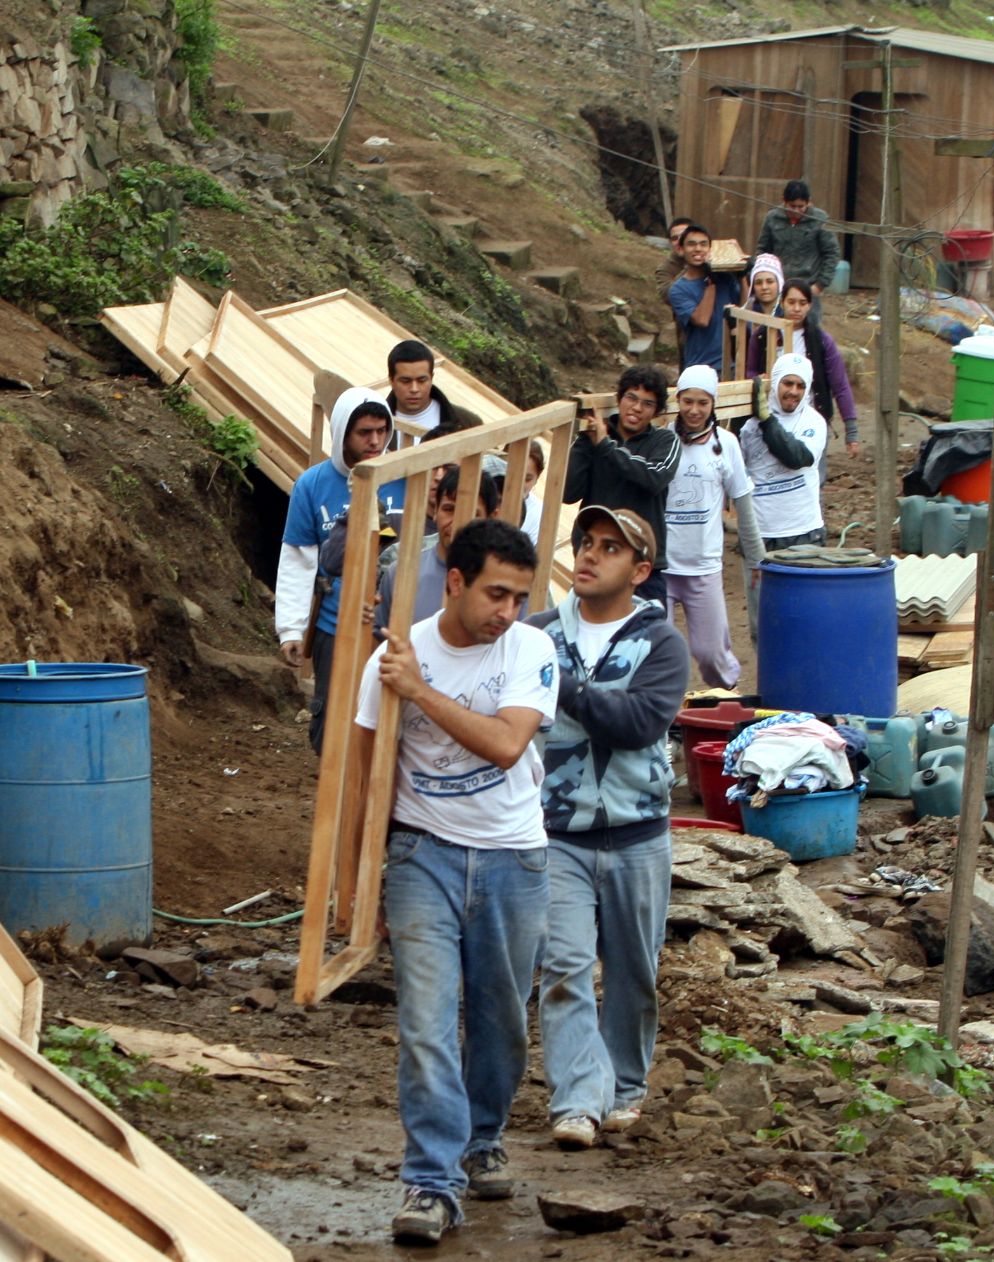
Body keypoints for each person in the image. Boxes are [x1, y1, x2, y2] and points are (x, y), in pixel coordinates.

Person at [353, 518, 558, 1244]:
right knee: (427, 1023)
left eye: (519, 596)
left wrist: (420, 692)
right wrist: (359, 882)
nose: (508, 611)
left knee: (501, 1023)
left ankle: (483, 1136)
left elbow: (506, 745)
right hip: (421, 856)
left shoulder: (531, 648)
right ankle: (431, 1182)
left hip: (514, 857)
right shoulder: (395, 657)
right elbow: (364, 773)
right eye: (497, 594)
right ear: (456, 582)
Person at [528, 506, 689, 1151]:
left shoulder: (662, 643)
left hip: (638, 833)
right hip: (558, 832)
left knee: (632, 972)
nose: (589, 557)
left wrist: (563, 689)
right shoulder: (538, 633)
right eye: (585, 544)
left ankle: (624, 1087)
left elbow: (637, 724)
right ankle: (575, 1102)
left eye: (609, 549)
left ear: (640, 570)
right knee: (564, 966)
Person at [277, 387, 398, 754]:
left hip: (391, 625)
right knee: (331, 721)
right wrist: (291, 628)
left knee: (385, 720)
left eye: (381, 430)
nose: (375, 440)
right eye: (364, 432)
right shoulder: (312, 486)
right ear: (344, 432)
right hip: (334, 624)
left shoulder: (406, 477)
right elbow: (298, 560)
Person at [663, 365, 763, 689]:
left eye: (702, 403)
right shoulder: (662, 440)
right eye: (687, 401)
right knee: (655, 652)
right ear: (678, 400)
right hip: (661, 566)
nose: (693, 410)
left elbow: (743, 502)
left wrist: (757, 558)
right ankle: (661, 723)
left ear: (713, 405)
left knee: (710, 653)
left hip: (703, 566)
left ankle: (727, 699)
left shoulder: (727, 444)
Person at [563, 365, 680, 604]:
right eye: (631, 398)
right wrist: (585, 442)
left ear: (657, 411)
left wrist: (606, 446)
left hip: (643, 566)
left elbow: (653, 478)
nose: (636, 408)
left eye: (647, 403)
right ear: (619, 399)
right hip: (595, 558)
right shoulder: (594, 438)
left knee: (644, 638)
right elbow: (567, 492)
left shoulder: (665, 440)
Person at [376, 467, 502, 631]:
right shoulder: (400, 572)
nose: (458, 521)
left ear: (491, 517)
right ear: (435, 511)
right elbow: (378, 643)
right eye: (449, 509)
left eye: (472, 512)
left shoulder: (508, 580)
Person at [746, 280, 859, 458]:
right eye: (791, 302)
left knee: (811, 471)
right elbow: (749, 371)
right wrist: (759, 378)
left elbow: (840, 384)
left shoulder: (821, 341)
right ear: (782, 302)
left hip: (811, 417)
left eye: (802, 303)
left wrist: (851, 429)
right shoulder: (762, 335)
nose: (797, 308)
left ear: (810, 305)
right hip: (770, 418)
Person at [738, 352, 828, 553]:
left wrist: (767, 421)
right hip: (760, 534)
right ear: (776, 382)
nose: (794, 391)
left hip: (804, 533)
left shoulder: (813, 421)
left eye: (801, 386)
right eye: (787, 383)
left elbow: (797, 457)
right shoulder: (750, 425)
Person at [667, 224, 744, 374]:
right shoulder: (678, 289)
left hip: (730, 364)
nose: (698, 249)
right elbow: (702, 319)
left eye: (703, 244)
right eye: (691, 244)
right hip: (699, 365)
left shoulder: (725, 278)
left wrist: (742, 276)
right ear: (681, 250)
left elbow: (743, 306)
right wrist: (710, 281)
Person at [387, 339, 483, 445]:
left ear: (431, 378)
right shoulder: (372, 423)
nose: (414, 389)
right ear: (391, 380)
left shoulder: (467, 423)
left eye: (422, 380)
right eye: (405, 381)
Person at [753, 180, 838, 296]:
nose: (796, 210)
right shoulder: (772, 218)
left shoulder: (820, 219)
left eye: (801, 206)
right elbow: (762, 250)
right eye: (792, 206)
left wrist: (820, 285)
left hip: (809, 285)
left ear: (809, 202)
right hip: (779, 285)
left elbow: (832, 253)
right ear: (783, 200)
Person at [654, 215, 694, 304]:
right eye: (675, 238)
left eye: (684, 236)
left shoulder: (711, 256)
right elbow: (667, 296)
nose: (680, 241)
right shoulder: (665, 268)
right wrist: (692, 267)